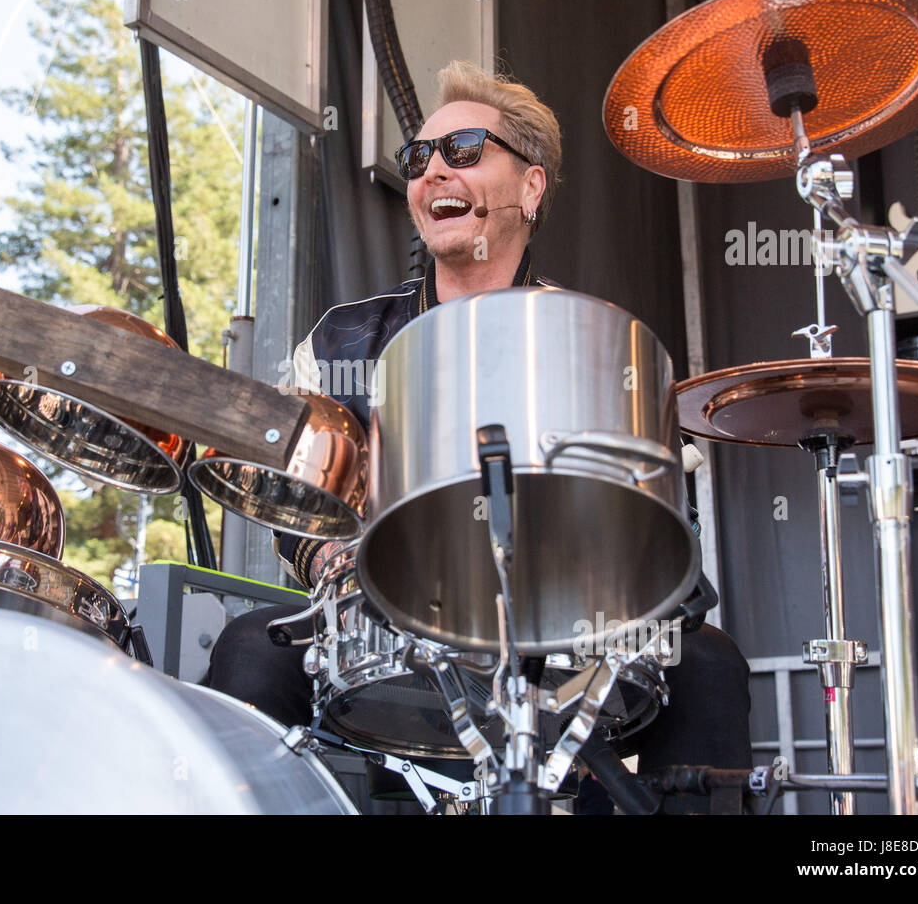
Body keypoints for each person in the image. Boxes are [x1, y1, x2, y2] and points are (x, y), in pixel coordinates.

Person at [202, 61, 751, 807]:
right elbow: (297, 502)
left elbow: (662, 528)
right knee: (249, 650)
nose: (433, 172)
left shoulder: (590, 340)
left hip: (564, 621)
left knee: (707, 664)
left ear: (531, 188)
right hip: (388, 622)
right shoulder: (342, 343)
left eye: (462, 149)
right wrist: (330, 550)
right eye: (418, 159)